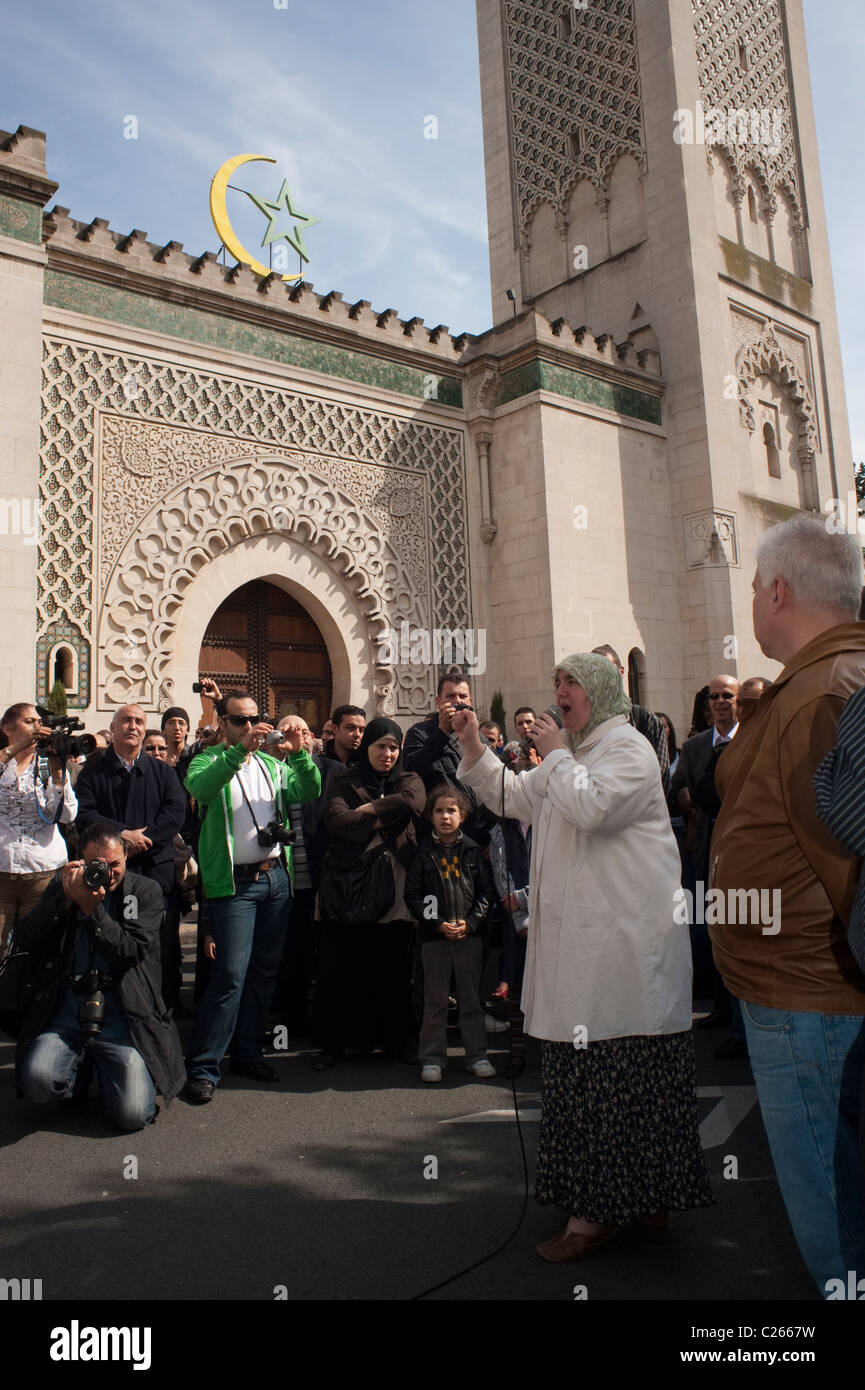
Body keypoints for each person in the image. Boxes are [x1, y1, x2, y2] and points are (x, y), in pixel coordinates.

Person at [453, 654, 713, 1262]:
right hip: (587, 953)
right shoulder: (573, 756)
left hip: (622, 952)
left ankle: (599, 1215)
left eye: (568, 684)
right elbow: (512, 795)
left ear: (597, 692)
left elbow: (593, 809)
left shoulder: (625, 749)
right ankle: (635, 1196)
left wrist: (558, 755)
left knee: (624, 1079)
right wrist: (473, 745)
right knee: (601, 1078)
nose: (558, 694)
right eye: (556, 684)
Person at [709, 515, 865, 1295]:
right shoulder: (818, 683)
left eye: (751, 587)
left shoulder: (822, 694)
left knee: (831, 1214)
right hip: (807, 992)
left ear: (777, 589)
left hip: (809, 997)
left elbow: (852, 864)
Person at [182, 692, 320, 1102]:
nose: (248, 727)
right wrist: (237, 752)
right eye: (239, 721)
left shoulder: (271, 765)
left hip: (275, 880)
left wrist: (299, 754)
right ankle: (204, 1065)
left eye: (254, 720)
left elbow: (308, 790)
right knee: (230, 976)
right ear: (223, 723)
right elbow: (202, 789)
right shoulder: (207, 761)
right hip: (235, 886)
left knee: (263, 973)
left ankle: (248, 1052)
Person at [15, 822, 185, 1130]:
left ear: (126, 856)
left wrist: (92, 909)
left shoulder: (144, 891)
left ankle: (112, 1077)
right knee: (37, 1082)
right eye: (97, 865)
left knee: (132, 1116)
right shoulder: (65, 885)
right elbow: (28, 937)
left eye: (114, 864)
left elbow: (129, 951)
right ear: (80, 860)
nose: (107, 872)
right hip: (69, 1012)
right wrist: (64, 900)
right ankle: (77, 1076)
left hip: (124, 1017)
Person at [312, 718, 425, 1070]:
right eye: (380, 747)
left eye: (394, 747)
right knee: (343, 965)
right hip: (349, 882)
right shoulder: (343, 777)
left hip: (394, 882)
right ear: (367, 748)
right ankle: (337, 1043)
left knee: (391, 965)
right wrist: (380, 816)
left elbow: (413, 803)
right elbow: (335, 820)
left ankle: (394, 1040)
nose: (388, 754)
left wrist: (364, 811)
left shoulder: (409, 778)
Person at [405, 784, 495, 1082]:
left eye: (451, 810)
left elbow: (485, 892)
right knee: (435, 1000)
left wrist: (471, 923)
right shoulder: (422, 853)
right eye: (439, 811)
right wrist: (436, 923)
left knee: (471, 999)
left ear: (462, 816)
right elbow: (414, 895)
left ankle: (477, 1055)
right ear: (431, 816)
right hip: (435, 938)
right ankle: (431, 1057)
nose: (445, 816)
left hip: (468, 936)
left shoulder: (472, 850)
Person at [74, 704, 186, 906]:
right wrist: (122, 835)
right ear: (113, 727)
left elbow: (175, 813)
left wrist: (144, 839)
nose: (133, 726)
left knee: (159, 933)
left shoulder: (164, 772)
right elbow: (84, 814)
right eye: (126, 720)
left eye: (139, 722)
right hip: (107, 870)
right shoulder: (91, 774)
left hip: (156, 867)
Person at [270, 715, 333, 1036]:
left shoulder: (328, 772)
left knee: (321, 954)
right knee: (288, 954)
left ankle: (323, 1022)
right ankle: (289, 1019)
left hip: (320, 880)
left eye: (306, 731)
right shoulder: (268, 771)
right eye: (291, 732)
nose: (300, 737)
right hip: (282, 881)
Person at [0, 703, 78, 957]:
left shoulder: (44, 766)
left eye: (38, 722)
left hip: (42, 874)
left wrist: (58, 776)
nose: (37, 727)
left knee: (37, 953)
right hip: (2, 876)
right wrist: (14, 750)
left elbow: (67, 815)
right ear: (7, 727)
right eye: (29, 721)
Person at [403, 667, 494, 846]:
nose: (457, 702)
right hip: (437, 840)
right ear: (438, 701)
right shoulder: (419, 733)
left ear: (470, 701)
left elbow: (492, 783)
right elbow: (412, 770)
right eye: (450, 696)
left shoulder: (480, 738)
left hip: (477, 839)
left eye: (462, 696)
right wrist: (442, 732)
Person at [591, 644, 670, 790]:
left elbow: (660, 782)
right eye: (595, 672)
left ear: (621, 672)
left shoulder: (647, 721)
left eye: (607, 670)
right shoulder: (584, 726)